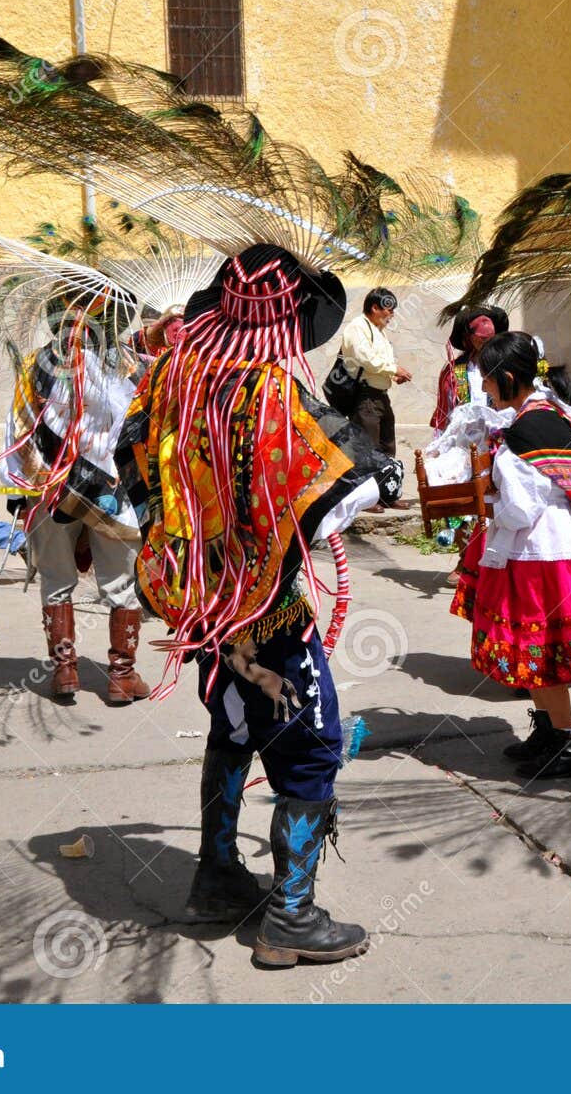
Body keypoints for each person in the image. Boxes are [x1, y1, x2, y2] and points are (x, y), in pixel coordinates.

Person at [119, 245, 403, 966]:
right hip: (267, 614)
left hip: (204, 608)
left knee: (234, 726)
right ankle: (290, 916)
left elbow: (131, 460)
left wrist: (187, 536)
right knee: (312, 746)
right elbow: (344, 486)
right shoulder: (272, 392)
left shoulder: (170, 376)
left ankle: (216, 877)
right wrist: (387, 475)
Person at [453, 332, 571, 779]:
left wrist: (488, 504)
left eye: (487, 379)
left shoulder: (524, 430)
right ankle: (548, 731)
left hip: (543, 555)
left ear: (507, 377)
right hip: (556, 549)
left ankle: (568, 744)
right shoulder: (550, 413)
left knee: (544, 651)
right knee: (537, 648)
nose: (485, 388)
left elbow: (522, 508)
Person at [2, 292, 151, 704]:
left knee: (56, 579)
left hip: (51, 488)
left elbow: (20, 430)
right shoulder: (134, 366)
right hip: (112, 492)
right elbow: (145, 431)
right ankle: (121, 675)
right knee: (122, 582)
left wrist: (27, 486)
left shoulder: (37, 364)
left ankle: (65, 672)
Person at [337, 287, 411, 476]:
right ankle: (369, 489)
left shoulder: (378, 331)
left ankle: (386, 486)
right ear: (375, 308)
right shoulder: (357, 327)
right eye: (389, 310)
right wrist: (394, 369)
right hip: (366, 398)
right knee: (367, 452)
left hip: (380, 397)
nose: (392, 315)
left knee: (386, 448)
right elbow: (366, 359)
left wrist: (393, 376)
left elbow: (378, 364)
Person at [430, 304, 508, 433]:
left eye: (491, 339)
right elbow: (445, 412)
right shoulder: (454, 371)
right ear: (469, 338)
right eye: (482, 339)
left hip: (500, 436)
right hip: (464, 437)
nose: (486, 345)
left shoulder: (506, 365)